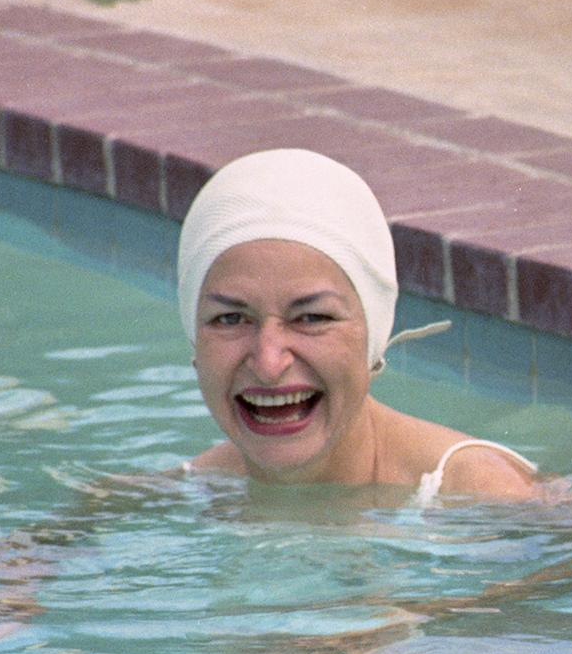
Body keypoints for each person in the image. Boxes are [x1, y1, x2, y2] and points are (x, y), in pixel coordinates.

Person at [178, 148, 540, 502]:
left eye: (313, 318)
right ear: (195, 342)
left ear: (373, 338)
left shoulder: (485, 495)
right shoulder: (188, 491)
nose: (269, 364)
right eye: (230, 319)